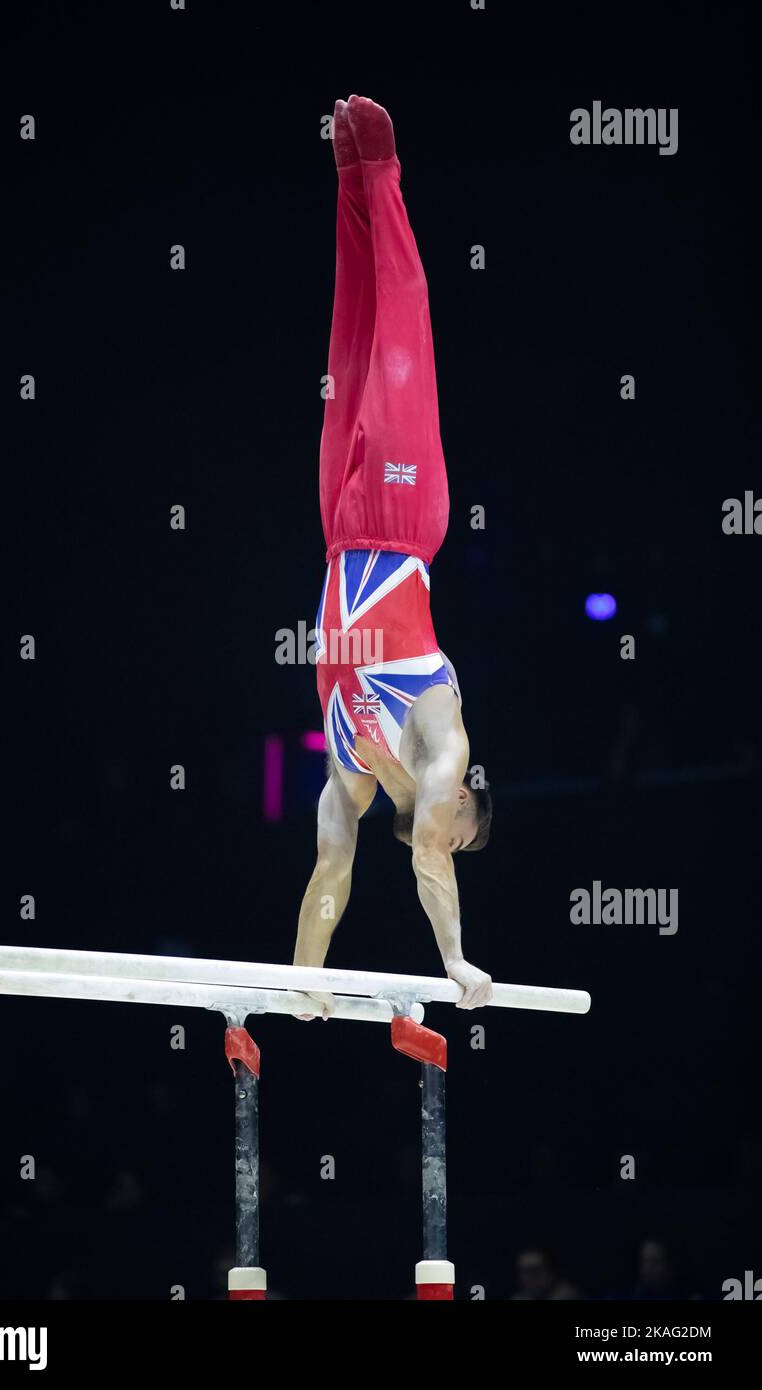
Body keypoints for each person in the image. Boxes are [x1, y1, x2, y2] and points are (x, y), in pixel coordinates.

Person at [294, 96, 493, 1016]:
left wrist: (305, 979)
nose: (449, 842)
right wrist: (454, 963)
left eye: (452, 842)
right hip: (407, 521)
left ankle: (344, 177)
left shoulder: (354, 776)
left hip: (341, 527)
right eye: (463, 836)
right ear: (463, 808)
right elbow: (426, 862)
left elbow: (333, 871)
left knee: (351, 335)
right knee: (402, 333)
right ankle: (382, 165)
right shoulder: (442, 738)